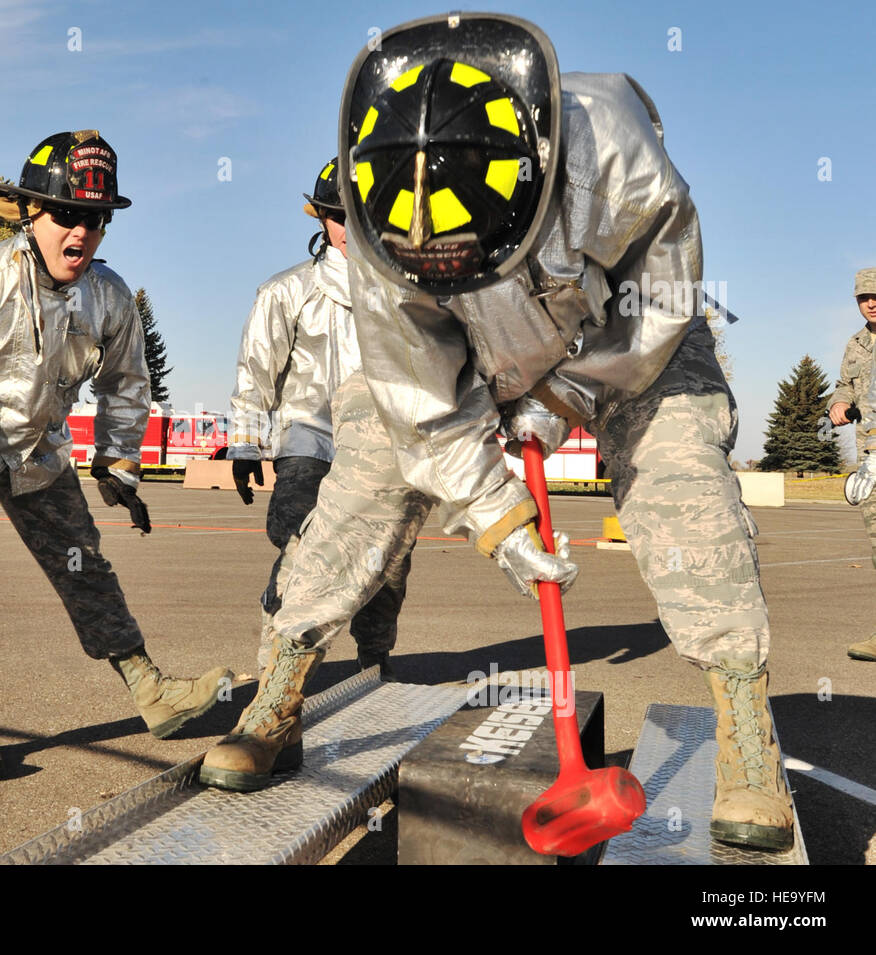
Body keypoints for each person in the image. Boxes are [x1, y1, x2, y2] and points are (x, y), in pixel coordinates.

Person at [201, 13, 794, 853]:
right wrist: (501, 520)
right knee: (366, 473)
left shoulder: (615, 155)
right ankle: (280, 693)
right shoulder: (378, 214)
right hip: (469, 351)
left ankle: (744, 727)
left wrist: (563, 396)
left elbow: (659, 304)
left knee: (683, 475)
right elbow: (421, 401)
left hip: (627, 341)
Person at [0, 130, 232, 782]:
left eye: (96, 218)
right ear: (29, 214)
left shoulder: (107, 297)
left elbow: (128, 384)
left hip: (38, 443)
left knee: (86, 565)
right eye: (67, 215)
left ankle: (149, 690)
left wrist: (118, 462)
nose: (83, 232)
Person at [227, 157, 419, 679]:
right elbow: (256, 372)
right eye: (339, 217)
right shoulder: (284, 292)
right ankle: (278, 670)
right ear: (321, 219)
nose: (349, 231)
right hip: (307, 446)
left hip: (382, 453)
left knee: (388, 564)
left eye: (364, 218)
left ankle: (375, 661)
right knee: (297, 548)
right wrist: (245, 445)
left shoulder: (408, 295)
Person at [828, 268, 876, 661]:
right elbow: (845, 384)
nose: (871, 302)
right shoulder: (856, 344)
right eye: (863, 297)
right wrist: (838, 403)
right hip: (871, 463)